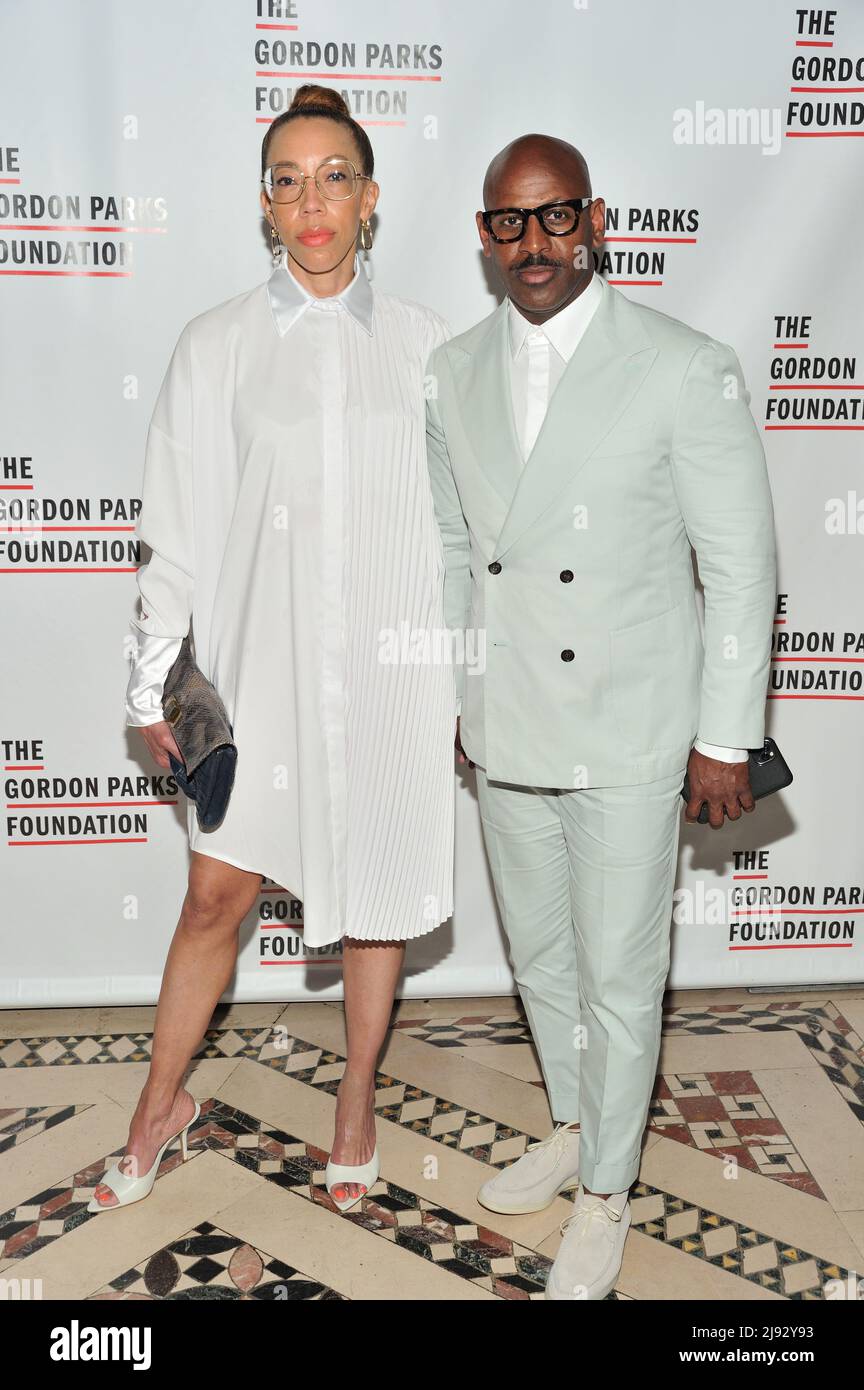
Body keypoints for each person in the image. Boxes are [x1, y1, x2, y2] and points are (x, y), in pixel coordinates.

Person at [90, 85, 456, 1215]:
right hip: (258, 669)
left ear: (371, 199)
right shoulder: (216, 346)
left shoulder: (431, 348)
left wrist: (471, 681)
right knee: (216, 895)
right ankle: (163, 1100)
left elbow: (460, 530)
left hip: (394, 672)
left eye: (335, 177)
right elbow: (179, 533)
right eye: (289, 181)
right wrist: (153, 682)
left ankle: (356, 1095)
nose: (313, 201)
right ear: (265, 205)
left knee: (381, 890)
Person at [424, 133, 777, 1300]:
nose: (534, 243)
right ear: (486, 237)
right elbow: (452, 552)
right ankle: (578, 1126)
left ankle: (611, 1189)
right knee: (542, 958)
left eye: (556, 216)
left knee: (624, 973)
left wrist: (723, 736)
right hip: (510, 722)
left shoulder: (685, 364)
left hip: (633, 727)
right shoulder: (452, 369)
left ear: (597, 219)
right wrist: (455, 689)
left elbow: (739, 566)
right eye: (510, 224)